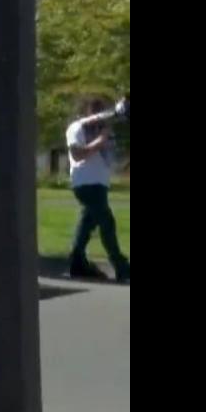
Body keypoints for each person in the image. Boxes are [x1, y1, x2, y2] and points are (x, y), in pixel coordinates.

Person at [65, 98, 130, 283]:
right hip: (85, 183)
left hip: (100, 185)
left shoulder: (106, 132)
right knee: (107, 223)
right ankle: (121, 266)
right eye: (97, 112)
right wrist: (99, 142)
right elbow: (77, 155)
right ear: (87, 112)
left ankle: (77, 262)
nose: (101, 117)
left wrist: (107, 141)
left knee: (87, 224)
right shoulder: (77, 128)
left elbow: (113, 161)